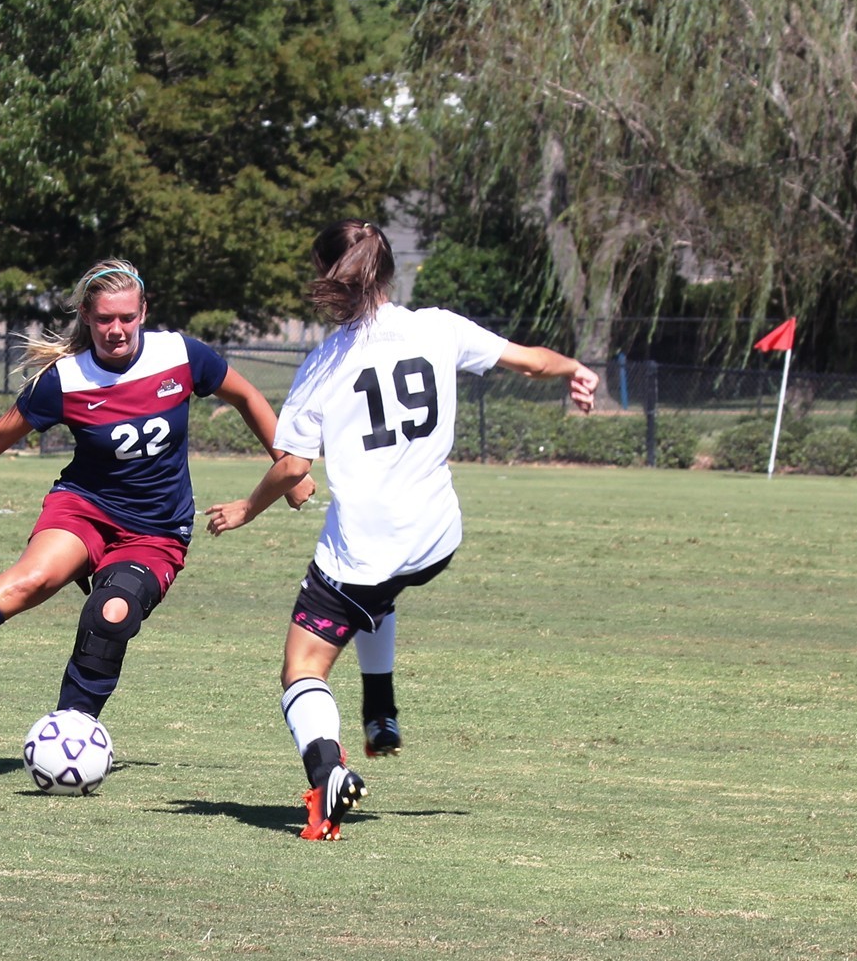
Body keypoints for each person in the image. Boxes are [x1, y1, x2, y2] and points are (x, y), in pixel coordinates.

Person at [204, 220, 599, 840]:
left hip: (364, 548)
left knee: (301, 669)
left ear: (331, 276)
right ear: (388, 273)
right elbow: (530, 363)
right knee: (380, 591)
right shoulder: (438, 327)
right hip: (437, 536)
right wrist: (576, 368)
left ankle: (327, 770)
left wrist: (246, 509)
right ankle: (380, 707)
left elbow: (293, 466)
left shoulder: (327, 362)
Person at [0, 260, 314, 719]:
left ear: (143, 312)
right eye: (103, 319)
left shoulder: (181, 355)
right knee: (30, 581)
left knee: (111, 614)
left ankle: (72, 731)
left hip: (157, 531)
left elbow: (248, 397)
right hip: (84, 509)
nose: (116, 330)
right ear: (85, 316)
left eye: (127, 318)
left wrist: (286, 461)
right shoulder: (66, 378)